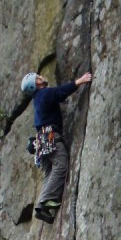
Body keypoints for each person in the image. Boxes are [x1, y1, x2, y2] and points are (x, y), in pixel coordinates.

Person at [21, 70, 92, 223]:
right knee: (61, 164)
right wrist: (79, 81)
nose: (41, 77)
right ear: (37, 84)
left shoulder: (37, 100)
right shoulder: (44, 94)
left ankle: (43, 204)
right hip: (50, 137)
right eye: (38, 77)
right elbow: (60, 92)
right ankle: (45, 202)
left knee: (49, 171)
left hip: (42, 140)